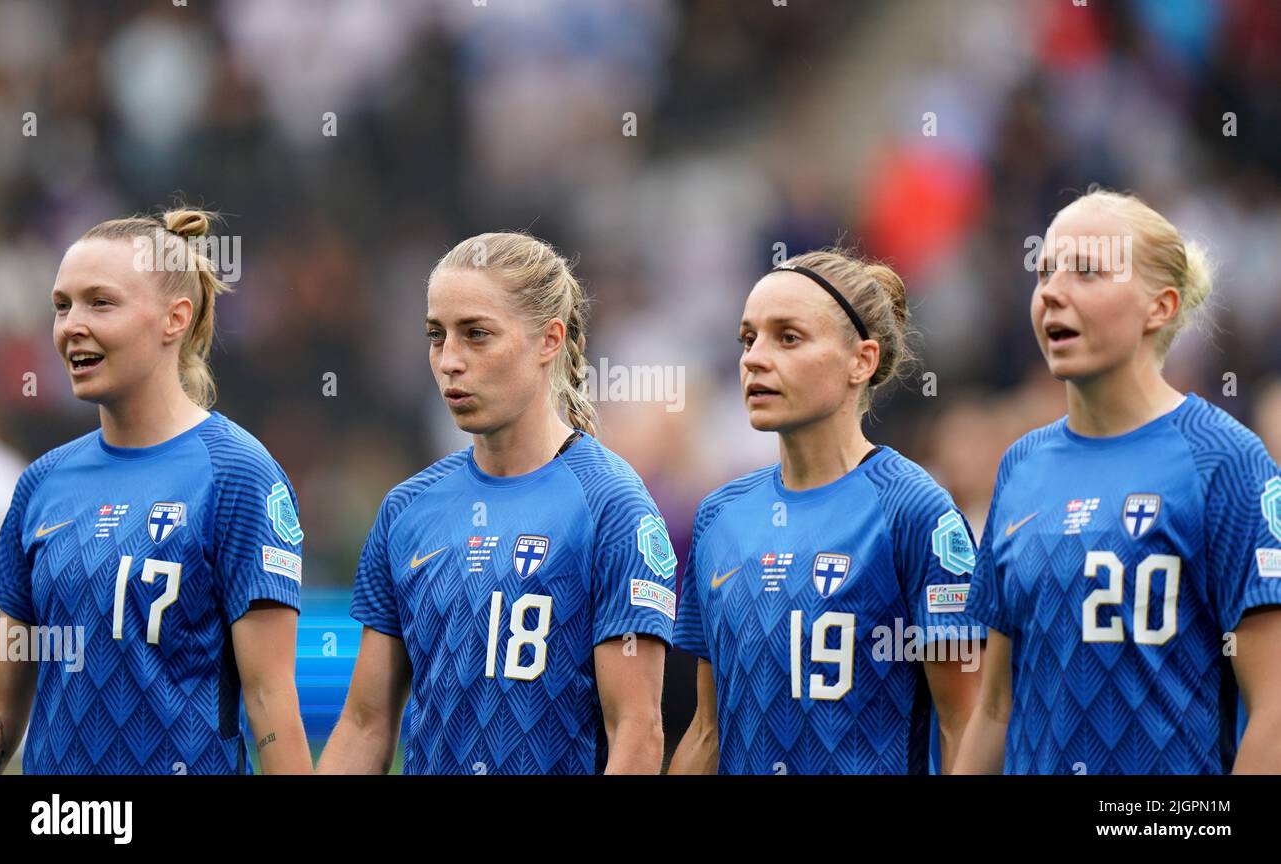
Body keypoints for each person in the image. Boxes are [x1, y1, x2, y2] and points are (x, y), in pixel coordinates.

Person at [318, 232, 675, 774]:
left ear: (549, 340)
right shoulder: (407, 510)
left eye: (477, 335)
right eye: (437, 336)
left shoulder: (611, 507)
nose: (450, 361)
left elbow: (637, 731)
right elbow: (366, 724)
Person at [955, 188, 1281, 774]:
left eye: (1085, 272)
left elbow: (1275, 709)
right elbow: (997, 709)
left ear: (1159, 307)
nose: (1052, 291)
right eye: (1045, 271)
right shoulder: (1020, 468)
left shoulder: (1225, 461)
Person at [0, 208, 311, 774]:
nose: (70, 326)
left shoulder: (237, 475)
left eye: (100, 303)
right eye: (62, 306)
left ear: (174, 319)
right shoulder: (41, 483)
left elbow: (268, 699)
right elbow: (0, 704)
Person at [669, 249, 983, 774]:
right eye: (749, 339)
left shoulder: (913, 510)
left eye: (788, 337)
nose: (754, 358)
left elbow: (965, 724)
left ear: (862, 360)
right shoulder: (719, 517)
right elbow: (707, 731)